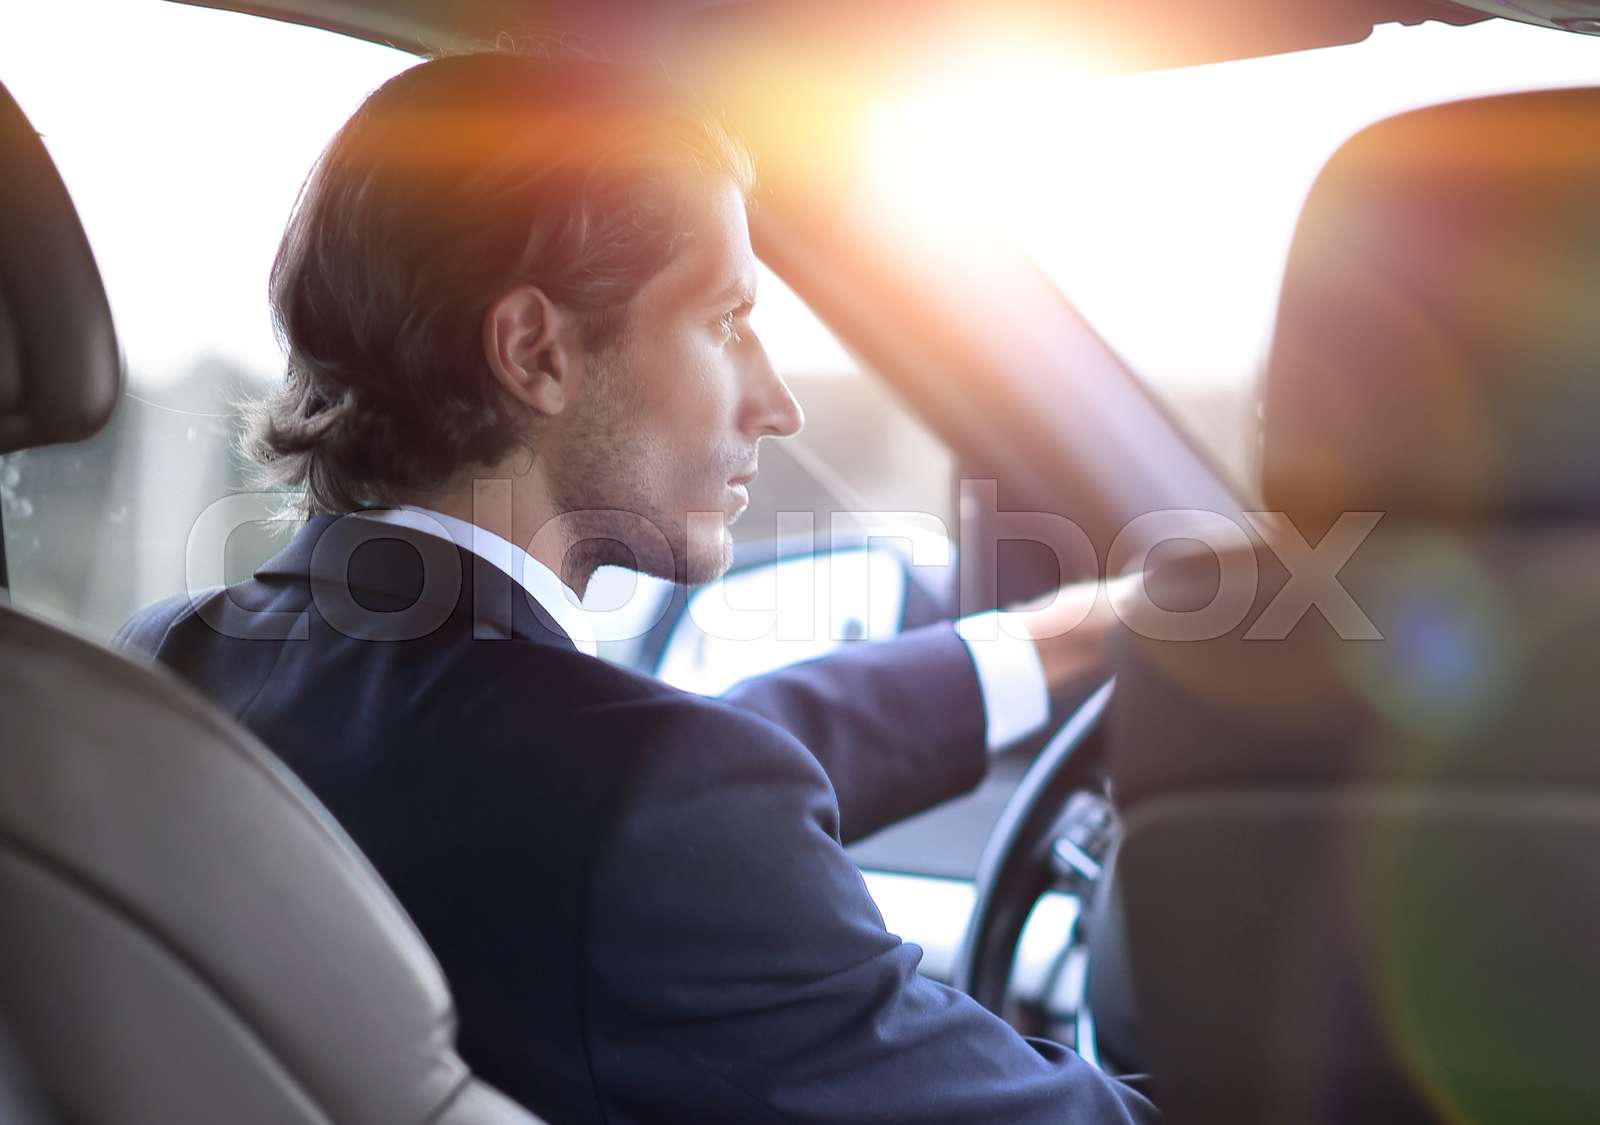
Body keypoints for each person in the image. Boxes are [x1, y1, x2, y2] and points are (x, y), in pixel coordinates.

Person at [119, 52, 1156, 1124]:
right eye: (723, 323)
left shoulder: (158, 675)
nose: (775, 403)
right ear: (535, 351)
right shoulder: (641, 806)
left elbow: (649, 768)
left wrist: (1073, 637)